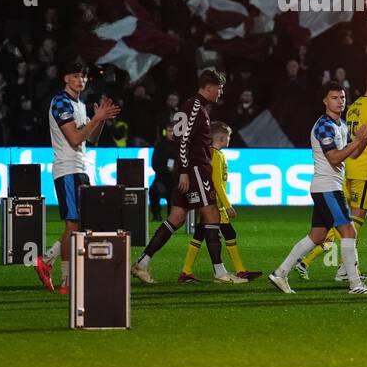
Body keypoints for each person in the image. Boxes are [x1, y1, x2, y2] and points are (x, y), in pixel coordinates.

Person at [129, 69, 246, 285]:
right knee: (212, 215)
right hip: (195, 170)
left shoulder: (194, 106)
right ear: (209, 87)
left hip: (190, 169)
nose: (221, 93)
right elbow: (182, 141)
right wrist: (184, 170)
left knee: (177, 217)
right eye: (219, 88)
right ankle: (220, 273)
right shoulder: (195, 107)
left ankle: (142, 263)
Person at [268, 83, 367, 295]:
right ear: (325, 101)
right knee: (348, 231)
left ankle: (280, 273)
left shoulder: (340, 124)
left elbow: (353, 155)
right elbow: (334, 158)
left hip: (328, 186)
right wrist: (357, 140)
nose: (340, 101)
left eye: (342, 97)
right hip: (327, 186)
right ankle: (356, 284)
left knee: (318, 235)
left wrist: (364, 140)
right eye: (334, 98)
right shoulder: (324, 126)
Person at [294, 68, 367, 282]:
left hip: (353, 168)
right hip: (365, 172)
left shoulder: (353, 107)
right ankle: (338, 268)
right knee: (350, 225)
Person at [34, 61, 119, 294]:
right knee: (73, 224)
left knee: (80, 224)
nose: (80, 79)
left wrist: (99, 119)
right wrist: (96, 118)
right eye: (75, 75)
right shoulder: (60, 102)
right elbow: (73, 138)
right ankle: (66, 281)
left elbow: (91, 140)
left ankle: (47, 261)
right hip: (67, 168)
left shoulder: (79, 104)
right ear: (65, 78)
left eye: (83, 76)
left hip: (80, 167)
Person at [179, 121, 263, 282]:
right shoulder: (215, 155)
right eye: (229, 137)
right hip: (215, 205)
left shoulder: (212, 154)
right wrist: (227, 206)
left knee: (199, 235)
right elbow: (217, 183)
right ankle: (240, 271)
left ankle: (186, 272)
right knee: (229, 233)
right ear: (223, 138)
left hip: (208, 202)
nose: (229, 140)